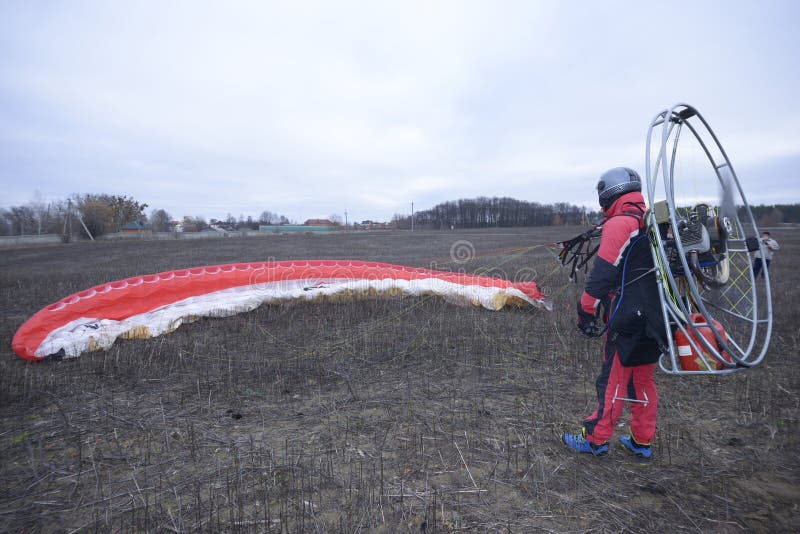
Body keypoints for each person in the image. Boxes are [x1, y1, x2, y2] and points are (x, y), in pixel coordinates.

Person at [561, 167, 666, 462]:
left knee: (612, 381)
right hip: (655, 318)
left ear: (609, 194)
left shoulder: (621, 224)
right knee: (641, 381)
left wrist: (585, 311)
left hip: (629, 319)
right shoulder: (648, 222)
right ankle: (641, 441)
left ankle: (595, 439)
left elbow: (602, 276)